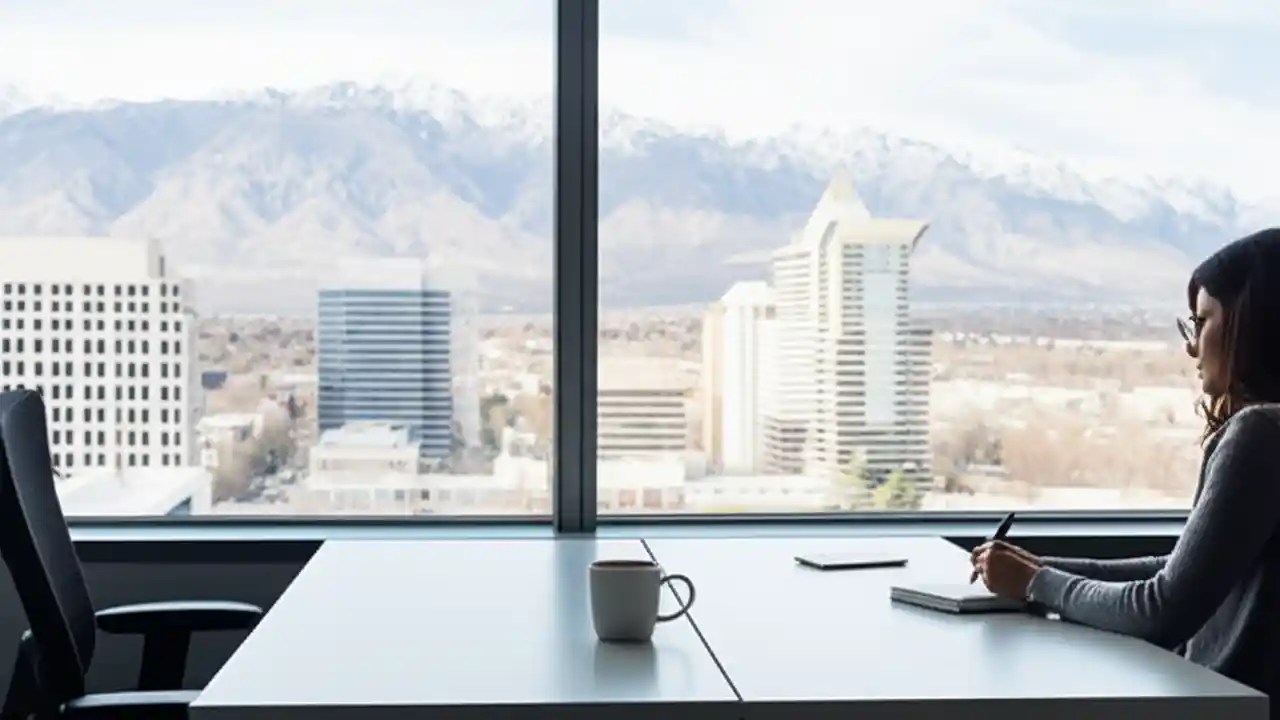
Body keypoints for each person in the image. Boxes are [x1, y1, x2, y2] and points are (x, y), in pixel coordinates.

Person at [971, 228, 1280, 705]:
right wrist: (1040, 568)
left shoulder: (1260, 436)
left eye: (1201, 322)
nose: (1192, 346)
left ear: (1250, 325)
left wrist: (1036, 583)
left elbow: (1163, 609)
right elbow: (1187, 573)